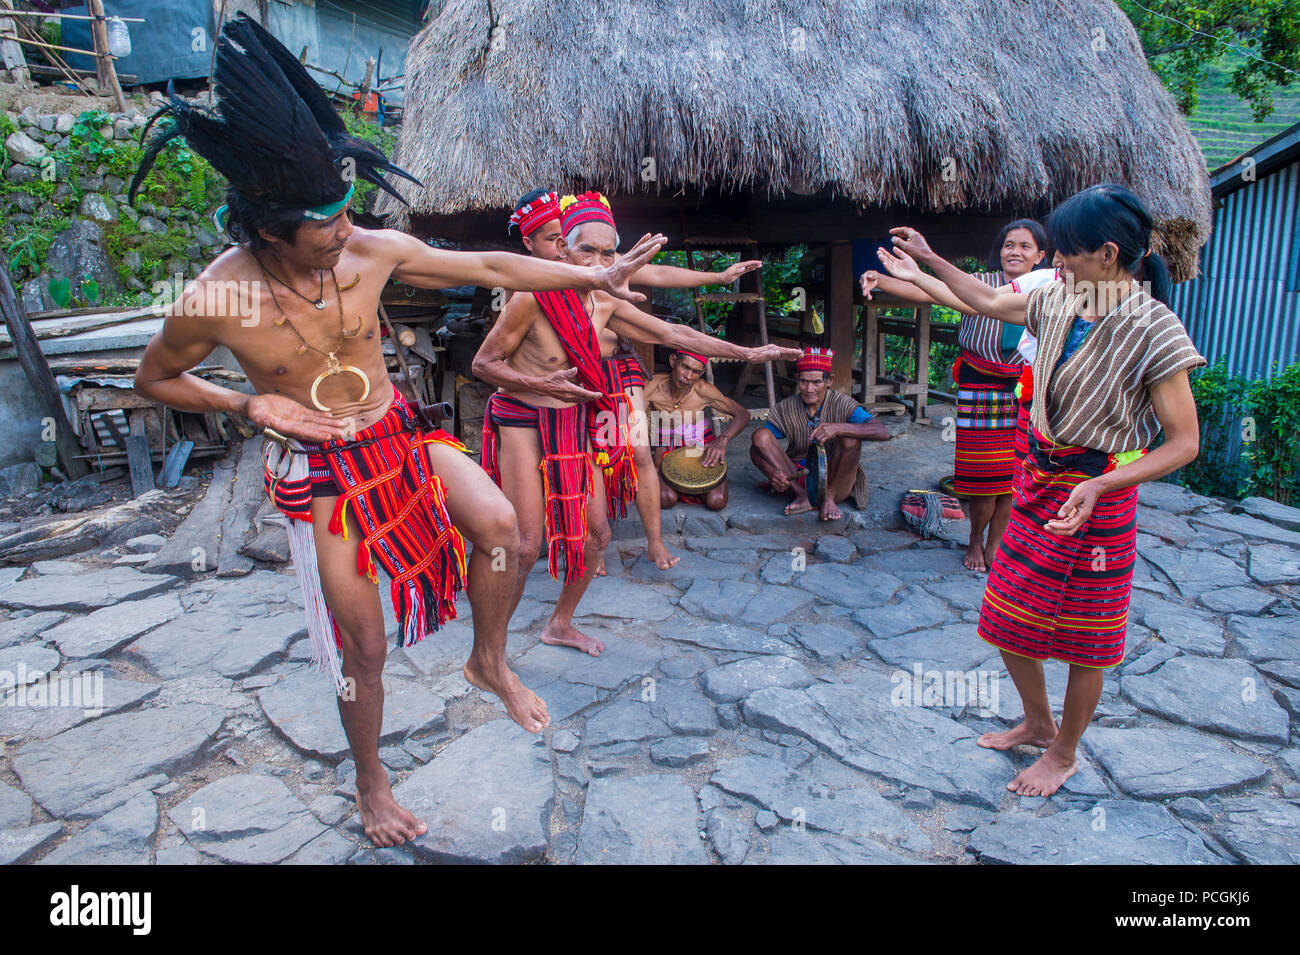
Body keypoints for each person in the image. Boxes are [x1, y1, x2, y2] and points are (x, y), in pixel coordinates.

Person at [130, 16, 665, 848]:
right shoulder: (217, 296)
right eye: (326, 226)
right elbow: (153, 378)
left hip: (398, 436)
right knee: (367, 648)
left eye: (349, 215)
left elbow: (490, 266)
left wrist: (590, 270)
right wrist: (249, 406)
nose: (346, 233)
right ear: (270, 228)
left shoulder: (369, 250)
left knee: (504, 534)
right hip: (324, 472)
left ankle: (488, 659)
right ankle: (372, 780)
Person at [877, 183, 1204, 797]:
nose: (1056, 261)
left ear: (1107, 254)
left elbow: (1184, 443)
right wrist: (928, 256)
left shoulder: (1155, 330)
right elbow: (981, 299)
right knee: (1002, 615)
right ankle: (1035, 720)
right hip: (1037, 481)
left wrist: (1105, 482)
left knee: (1089, 636)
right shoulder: (1058, 300)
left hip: (1098, 497)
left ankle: (1064, 751)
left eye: (1068, 252)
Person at [473, 191, 796, 657]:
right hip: (522, 417)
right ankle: (491, 651)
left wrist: (747, 352)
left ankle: (559, 624)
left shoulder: (605, 301)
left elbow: (672, 333)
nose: (601, 261)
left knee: (599, 536)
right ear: (563, 248)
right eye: (588, 250)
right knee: (525, 547)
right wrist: (538, 382)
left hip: (573, 418)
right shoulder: (531, 297)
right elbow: (484, 364)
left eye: (609, 252)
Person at [507, 188, 762, 570]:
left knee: (639, 451)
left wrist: (718, 276)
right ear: (535, 244)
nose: (565, 248)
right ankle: (587, 544)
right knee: (573, 459)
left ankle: (653, 542)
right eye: (550, 239)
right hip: (562, 386)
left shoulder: (600, 264)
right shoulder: (526, 284)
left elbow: (656, 274)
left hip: (616, 372)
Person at [861, 220, 1050, 571]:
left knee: (1015, 474)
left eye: (1025, 246)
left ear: (1040, 256)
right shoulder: (982, 284)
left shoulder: (1044, 291)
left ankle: (996, 545)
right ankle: (975, 539)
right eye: (1009, 244)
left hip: (1022, 388)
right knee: (983, 476)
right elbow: (930, 290)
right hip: (980, 385)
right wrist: (881, 279)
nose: (1015, 251)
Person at [750, 347, 889, 521]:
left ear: (829, 380)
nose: (809, 389)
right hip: (798, 477)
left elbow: (882, 431)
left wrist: (839, 428)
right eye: (803, 382)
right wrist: (771, 472)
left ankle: (828, 500)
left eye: (817, 382)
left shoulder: (843, 403)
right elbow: (760, 447)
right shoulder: (785, 407)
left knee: (850, 439)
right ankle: (802, 496)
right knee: (759, 437)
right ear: (796, 379)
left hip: (835, 481)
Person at [642, 349, 752, 511]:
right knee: (666, 499)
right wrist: (647, 458)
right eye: (685, 367)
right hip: (665, 445)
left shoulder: (703, 390)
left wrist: (721, 441)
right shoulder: (652, 386)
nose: (688, 376)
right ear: (673, 361)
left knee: (717, 501)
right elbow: (631, 418)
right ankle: (678, 484)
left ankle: (697, 481)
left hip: (698, 447)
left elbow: (742, 414)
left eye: (696, 372)